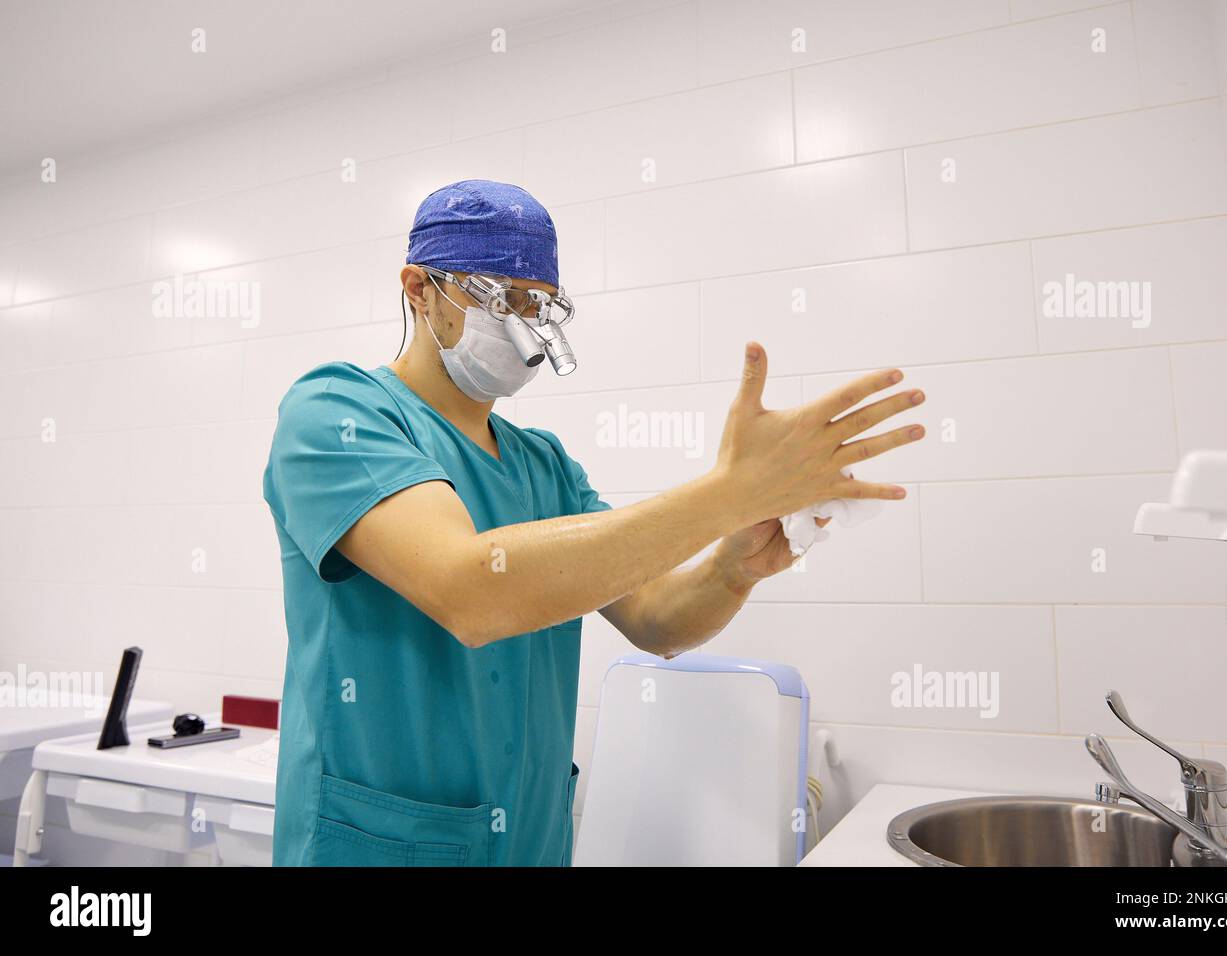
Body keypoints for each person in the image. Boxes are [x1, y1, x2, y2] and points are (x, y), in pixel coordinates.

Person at [262, 179, 926, 866]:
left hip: (528, 843)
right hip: (380, 849)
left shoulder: (543, 466)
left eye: (538, 304)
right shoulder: (337, 412)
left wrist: (734, 566)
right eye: (498, 298)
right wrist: (728, 493)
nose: (521, 322)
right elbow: (470, 590)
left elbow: (658, 621)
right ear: (419, 289)